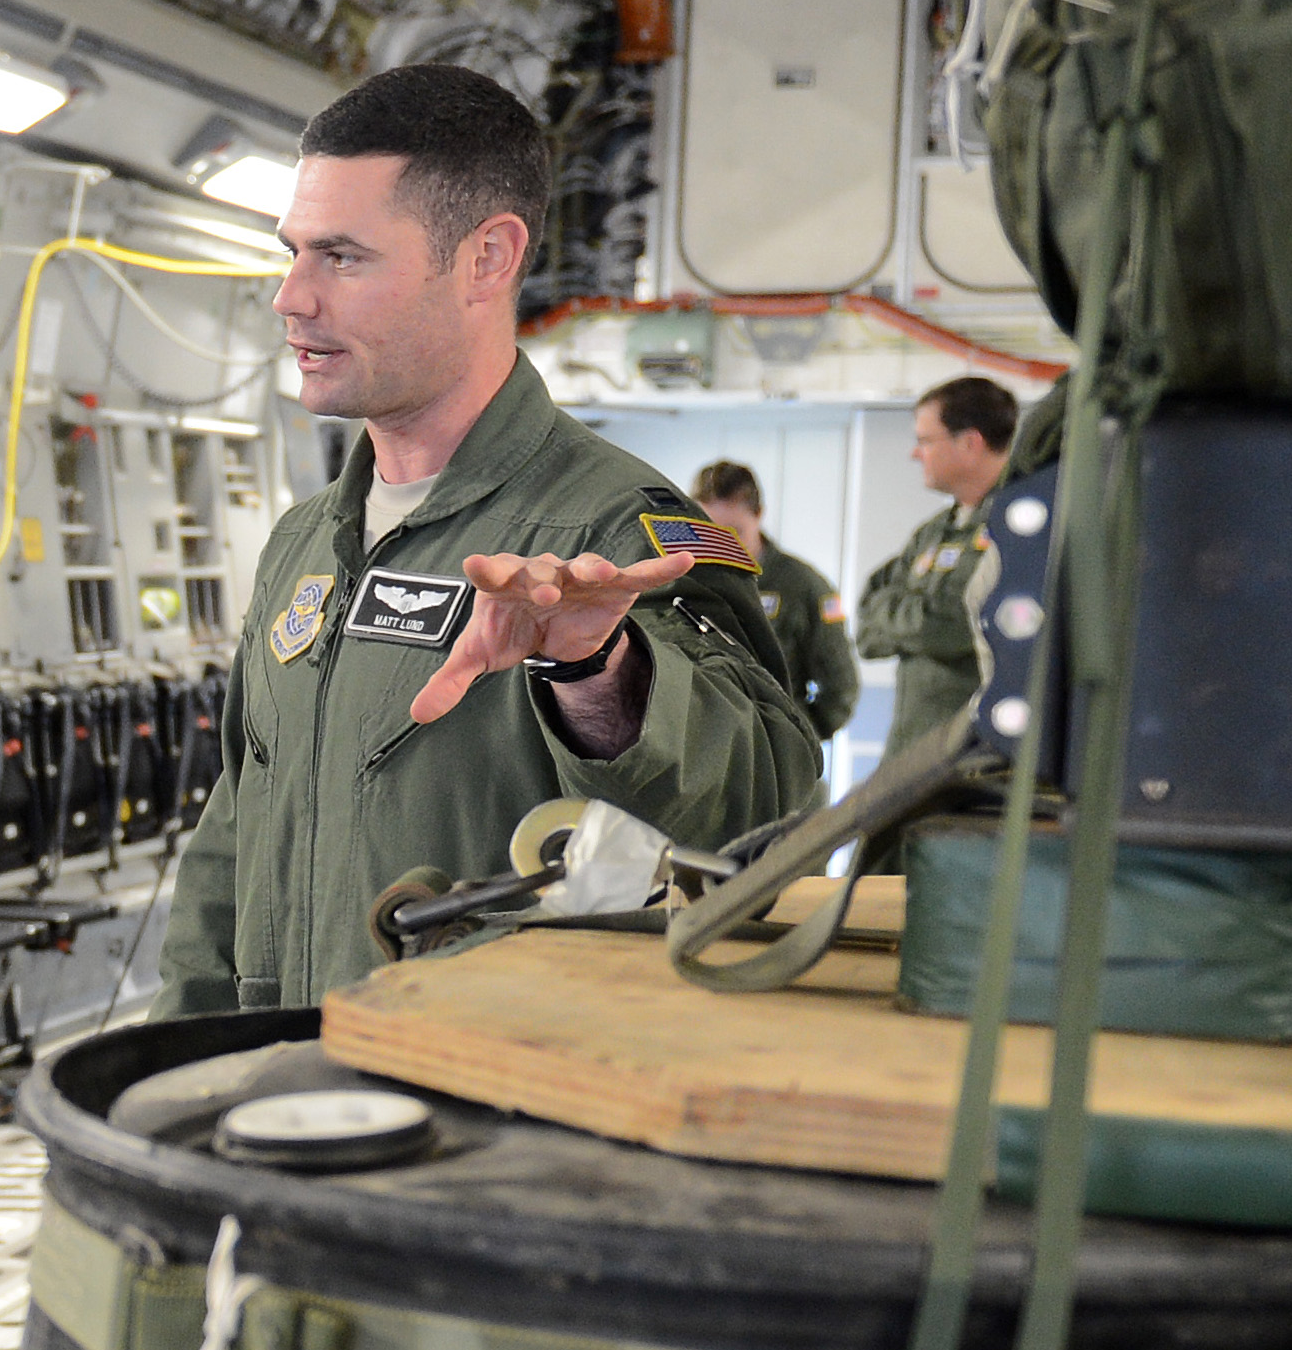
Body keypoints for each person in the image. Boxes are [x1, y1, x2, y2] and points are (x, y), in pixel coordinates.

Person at [151, 65, 820, 1015]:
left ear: (487, 260)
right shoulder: (305, 541)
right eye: (292, 251)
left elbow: (767, 809)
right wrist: (173, 1059)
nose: (291, 297)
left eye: (341, 256)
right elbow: (238, 826)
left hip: (490, 1108)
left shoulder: (628, 526)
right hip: (291, 1097)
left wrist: (602, 674)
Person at [862, 377, 1022, 759]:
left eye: (925, 441)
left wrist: (902, 617)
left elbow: (954, 626)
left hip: (971, 756)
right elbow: (867, 630)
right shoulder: (932, 533)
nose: (915, 454)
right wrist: (919, 621)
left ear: (970, 443)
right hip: (911, 752)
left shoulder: (1017, 525)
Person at [691, 459, 860, 740]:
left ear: (758, 515)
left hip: (774, 751)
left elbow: (840, 688)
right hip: (702, 747)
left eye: (733, 532)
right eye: (708, 532)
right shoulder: (681, 581)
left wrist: (797, 742)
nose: (720, 545)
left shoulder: (801, 585)